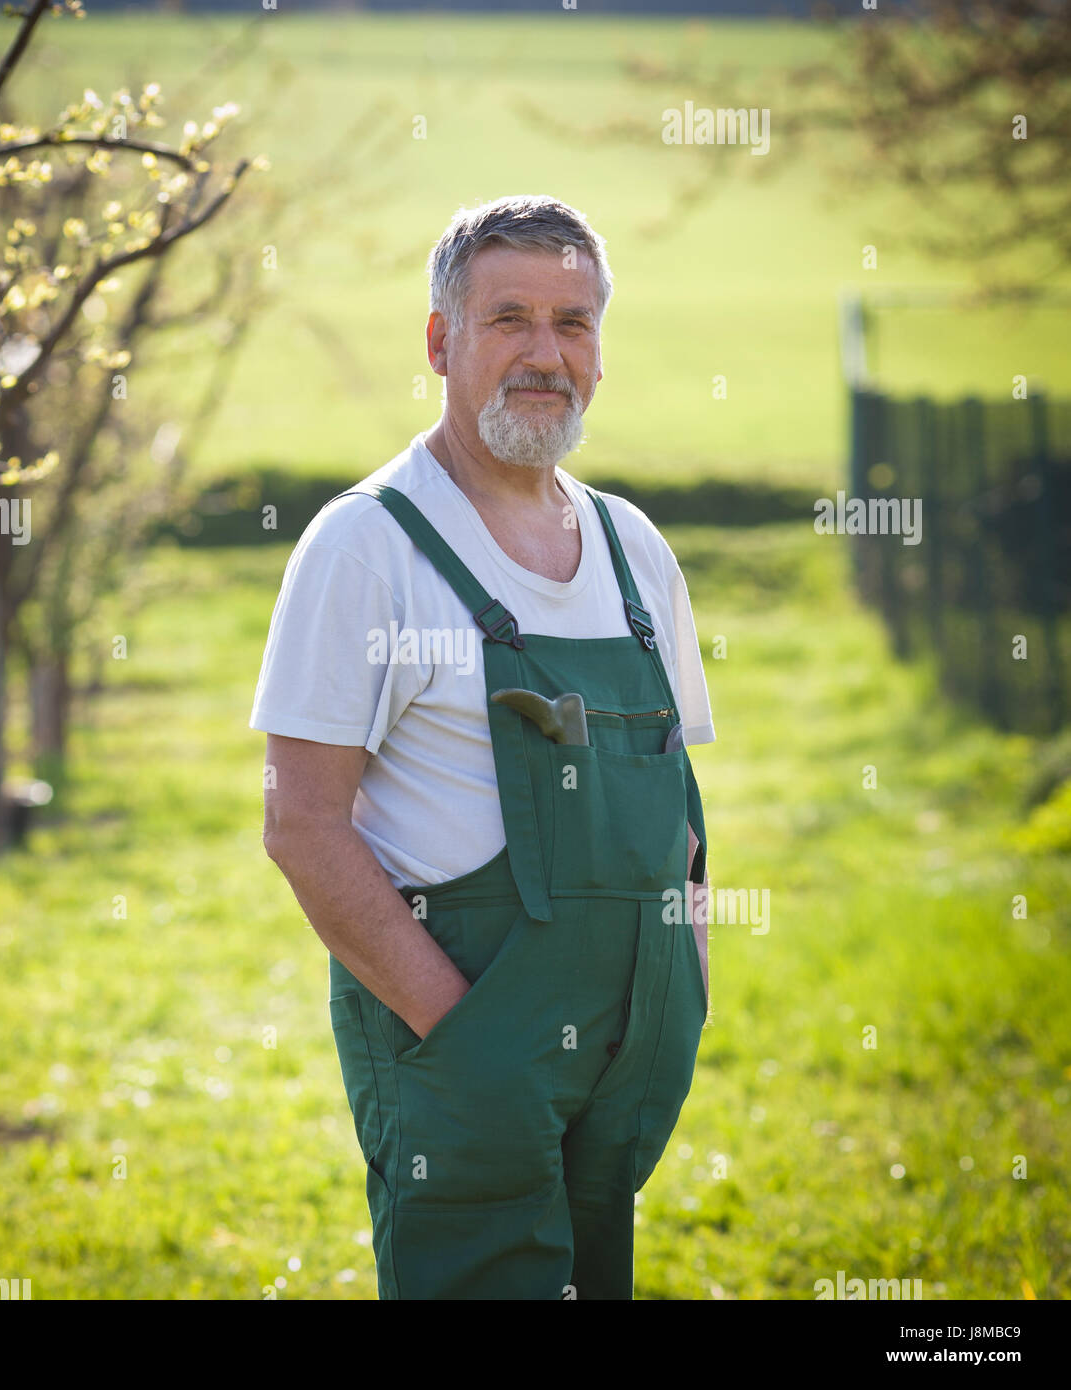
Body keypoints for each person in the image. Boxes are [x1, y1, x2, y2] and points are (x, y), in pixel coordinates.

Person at [252, 194, 715, 1300]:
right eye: (508, 318)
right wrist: (463, 1038)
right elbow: (302, 824)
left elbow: (681, 804)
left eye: (574, 321)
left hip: (628, 1056)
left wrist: (681, 992)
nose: (545, 354)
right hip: (463, 1049)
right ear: (438, 341)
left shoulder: (631, 548)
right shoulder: (367, 545)